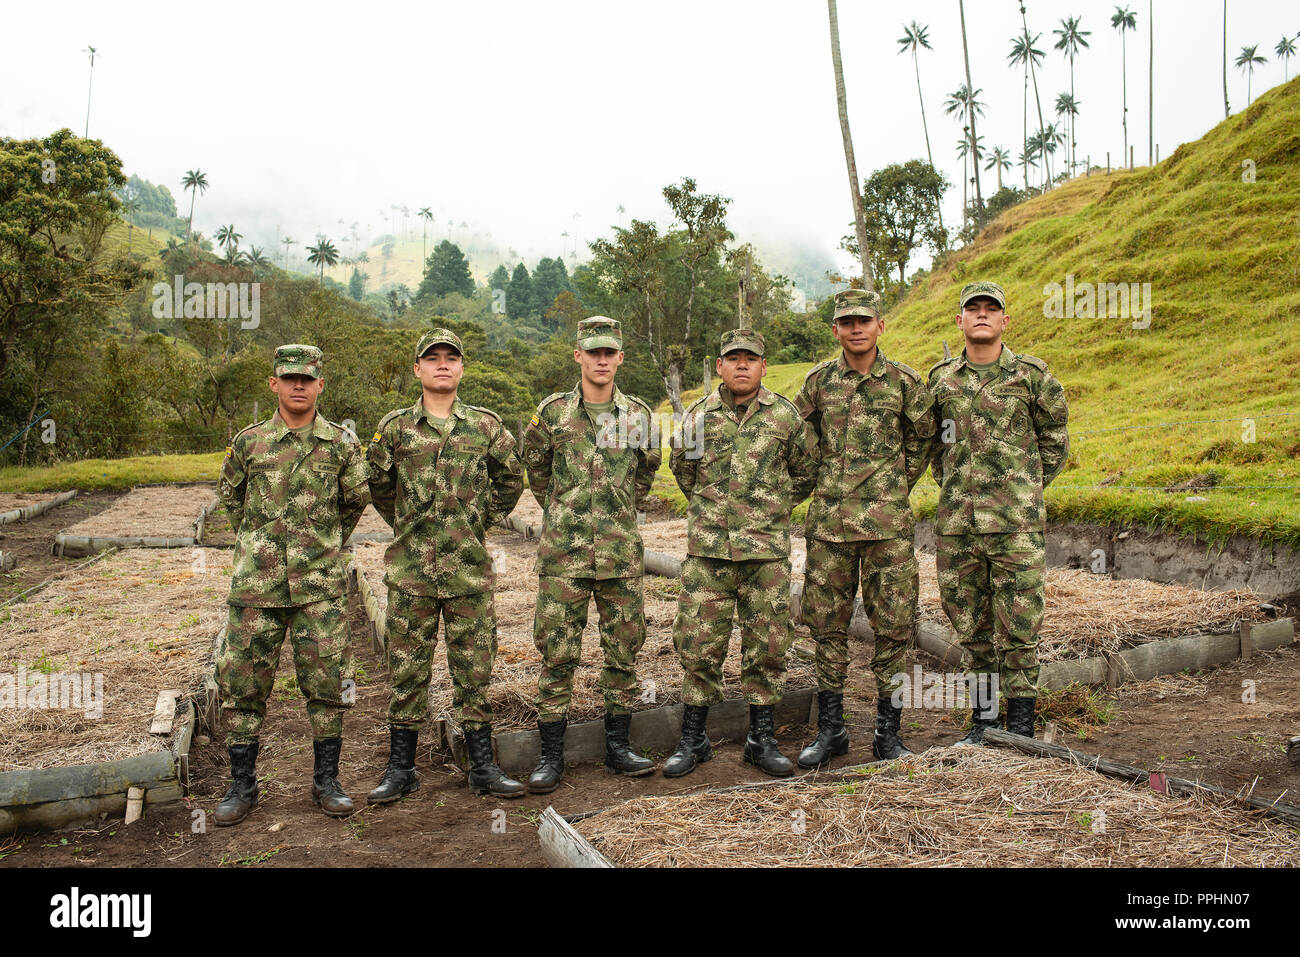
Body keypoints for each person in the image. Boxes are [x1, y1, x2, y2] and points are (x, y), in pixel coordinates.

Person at [365, 328, 526, 802]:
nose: (441, 365)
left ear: (461, 368)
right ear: (417, 369)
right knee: (407, 673)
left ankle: (481, 767)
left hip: (468, 572)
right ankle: (401, 770)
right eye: (431, 358)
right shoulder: (395, 428)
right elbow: (378, 485)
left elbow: (511, 479)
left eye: (450, 358)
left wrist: (478, 520)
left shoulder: (486, 426)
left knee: (474, 672)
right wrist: (408, 525)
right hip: (411, 574)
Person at [214, 344, 369, 825]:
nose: (298, 386)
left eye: (307, 379)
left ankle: (328, 781)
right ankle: (242, 784)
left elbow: (354, 502)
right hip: (256, 589)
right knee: (242, 685)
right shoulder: (249, 442)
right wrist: (261, 546)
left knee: (327, 685)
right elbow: (231, 498)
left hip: (318, 589)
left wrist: (318, 547)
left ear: (320, 384)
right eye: (289, 378)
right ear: (274, 384)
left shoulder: (342, 444)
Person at [663, 329, 818, 778]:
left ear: (764, 366)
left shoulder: (785, 417)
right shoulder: (697, 418)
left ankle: (760, 739)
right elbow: (684, 472)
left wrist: (769, 509)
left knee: (767, 646)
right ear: (719, 366)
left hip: (765, 554)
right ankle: (693, 740)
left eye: (751, 358)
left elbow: (805, 471)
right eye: (733, 358)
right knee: (698, 645)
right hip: (708, 555)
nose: (742, 365)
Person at [794, 289, 935, 767]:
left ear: (880, 325)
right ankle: (831, 730)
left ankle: (887, 732)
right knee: (826, 628)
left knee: (894, 629)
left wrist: (894, 485)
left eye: (864, 320)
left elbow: (923, 440)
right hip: (829, 529)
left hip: (887, 529)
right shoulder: (816, 384)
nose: (855, 328)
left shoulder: (904, 383)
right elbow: (799, 441)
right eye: (846, 321)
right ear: (835, 330)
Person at [521, 317, 661, 793]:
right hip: (564, 557)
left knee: (623, 652)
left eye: (610, 352)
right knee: (557, 655)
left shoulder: (638, 416)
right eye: (593, 352)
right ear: (577, 355)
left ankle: (618, 748)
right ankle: (551, 756)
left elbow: (645, 474)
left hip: (620, 557)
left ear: (620, 357)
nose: (601, 360)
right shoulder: (553, 413)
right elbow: (537, 473)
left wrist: (617, 515)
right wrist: (566, 514)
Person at [928, 281, 1069, 744]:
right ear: (960, 320)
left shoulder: (1031, 376)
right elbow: (935, 447)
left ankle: (1023, 725)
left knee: (1020, 627)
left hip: (1016, 529)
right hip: (958, 528)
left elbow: (1054, 441)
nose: (982, 315)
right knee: (972, 629)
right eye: (974, 309)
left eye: (992, 309)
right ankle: (985, 723)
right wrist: (957, 488)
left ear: (1005, 320)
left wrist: (1023, 490)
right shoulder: (941, 380)